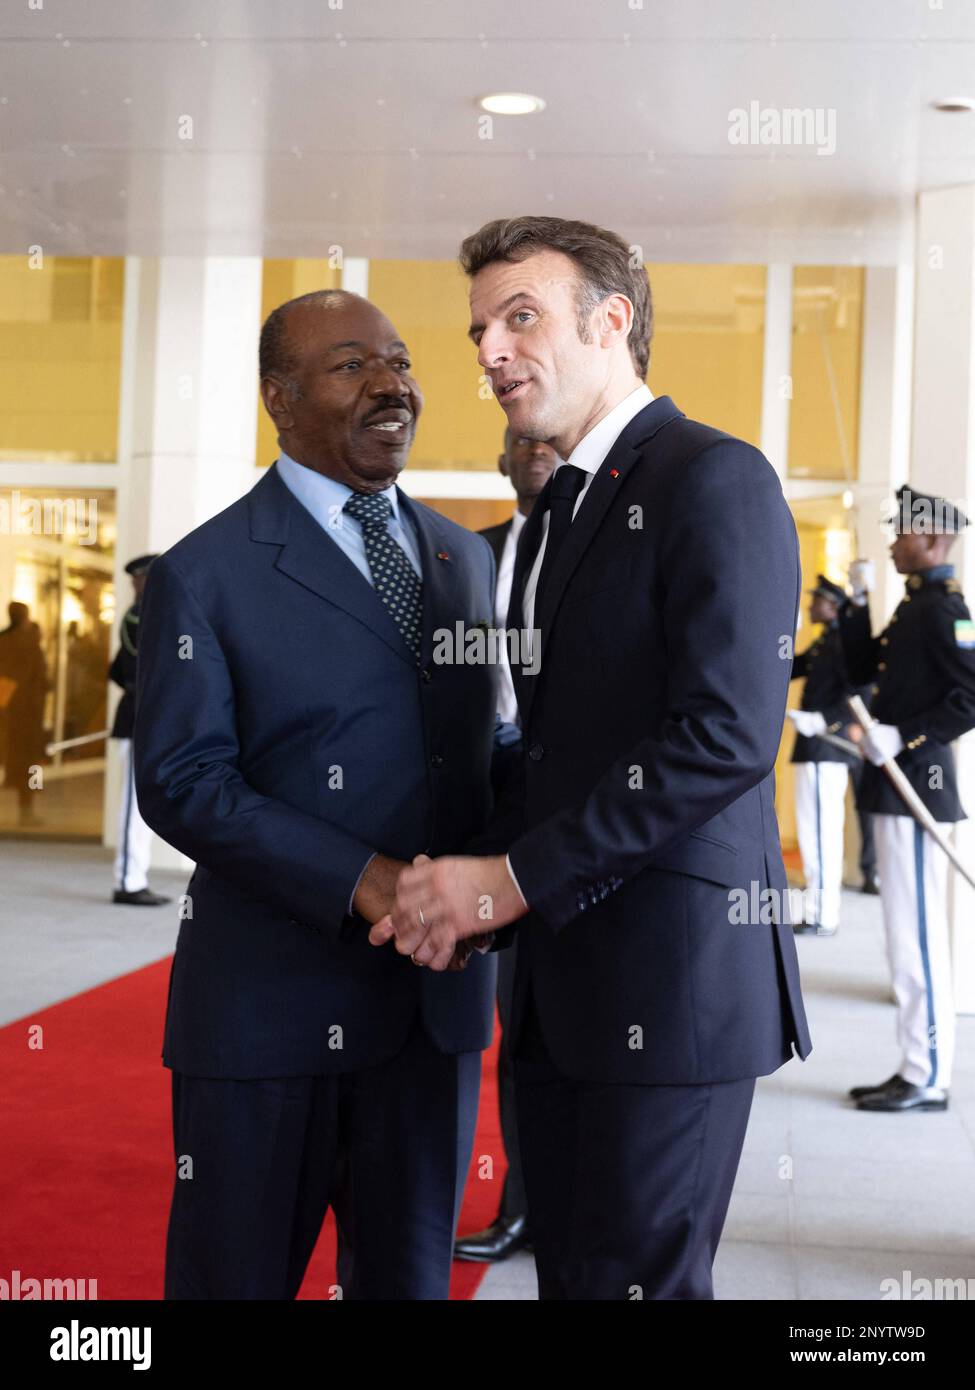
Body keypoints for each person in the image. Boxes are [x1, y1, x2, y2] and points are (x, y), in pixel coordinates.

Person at [371, 216, 811, 1300]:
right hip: (567, 981)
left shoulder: (717, 477)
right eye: (480, 330)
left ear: (612, 322)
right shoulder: (568, 508)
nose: (489, 351)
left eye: (521, 318)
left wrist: (508, 880)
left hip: (673, 987)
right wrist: (457, 875)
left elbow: (725, 739)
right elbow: (565, 753)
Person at [135, 288, 517, 1300]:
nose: (392, 382)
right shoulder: (203, 572)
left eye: (398, 360)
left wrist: (519, 865)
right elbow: (181, 780)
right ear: (280, 398)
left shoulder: (464, 558)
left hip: (432, 1014)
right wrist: (367, 881)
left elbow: (495, 746)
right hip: (266, 1013)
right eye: (352, 364)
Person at [455, 429, 556, 1266]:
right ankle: (521, 1203)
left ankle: (565, 1200)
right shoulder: (466, 557)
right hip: (477, 808)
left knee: (564, 1027)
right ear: (501, 463)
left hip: (571, 820)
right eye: (520, 444)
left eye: (549, 444)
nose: (536, 453)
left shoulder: (598, 551)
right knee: (507, 1026)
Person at [841, 485, 975, 1113]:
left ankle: (926, 1076)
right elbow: (861, 666)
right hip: (896, 787)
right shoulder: (914, 606)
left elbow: (969, 696)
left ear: (934, 539)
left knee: (917, 936)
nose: (893, 543)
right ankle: (916, 1066)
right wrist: (859, 600)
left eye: (902, 534)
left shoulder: (946, 609)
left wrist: (906, 737)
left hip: (918, 789)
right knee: (903, 934)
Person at [786, 575, 864, 937]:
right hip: (814, 748)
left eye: (816, 600)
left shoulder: (844, 642)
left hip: (826, 748)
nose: (810, 605)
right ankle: (819, 908)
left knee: (820, 832)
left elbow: (861, 691)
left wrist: (824, 722)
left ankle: (822, 913)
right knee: (814, 830)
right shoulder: (826, 641)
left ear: (833, 606)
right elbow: (792, 664)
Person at [109, 555, 171, 906]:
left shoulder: (149, 612)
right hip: (136, 720)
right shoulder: (141, 614)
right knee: (134, 806)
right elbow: (130, 671)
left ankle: (135, 878)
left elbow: (114, 670)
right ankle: (127, 882)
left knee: (140, 803)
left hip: (143, 717)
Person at [0, 602, 48, 827]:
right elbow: (42, 678)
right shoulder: (29, 644)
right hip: (30, 712)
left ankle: (25, 800)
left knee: (18, 758)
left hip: (11, 710)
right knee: (32, 760)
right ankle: (28, 805)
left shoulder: (4, 641)